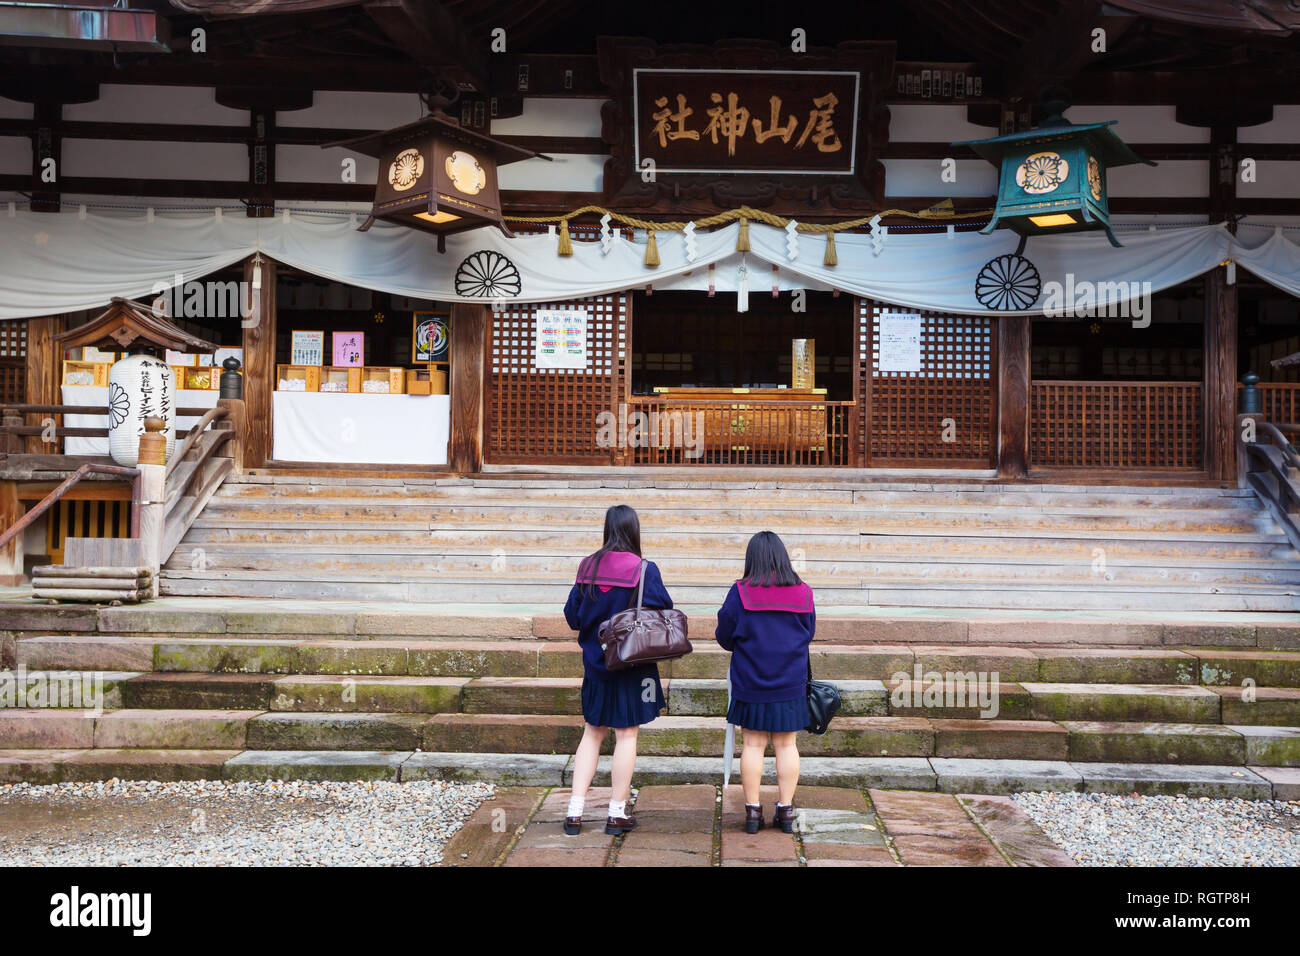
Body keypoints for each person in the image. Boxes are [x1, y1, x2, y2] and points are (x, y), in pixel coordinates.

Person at [561, 504, 672, 836]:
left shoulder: (588, 566)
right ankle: (616, 813)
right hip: (632, 667)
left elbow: (572, 616)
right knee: (627, 735)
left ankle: (575, 812)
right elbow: (663, 609)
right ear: (634, 530)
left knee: (592, 733)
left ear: (607, 529)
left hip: (596, 665)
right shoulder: (643, 569)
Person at [715, 530, 815, 834]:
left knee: (753, 745)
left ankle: (753, 813)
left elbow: (724, 636)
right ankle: (785, 811)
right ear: (784, 558)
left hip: (751, 682)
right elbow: (808, 632)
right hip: (790, 682)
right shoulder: (804, 592)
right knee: (787, 745)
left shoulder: (741, 592)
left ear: (752, 560)